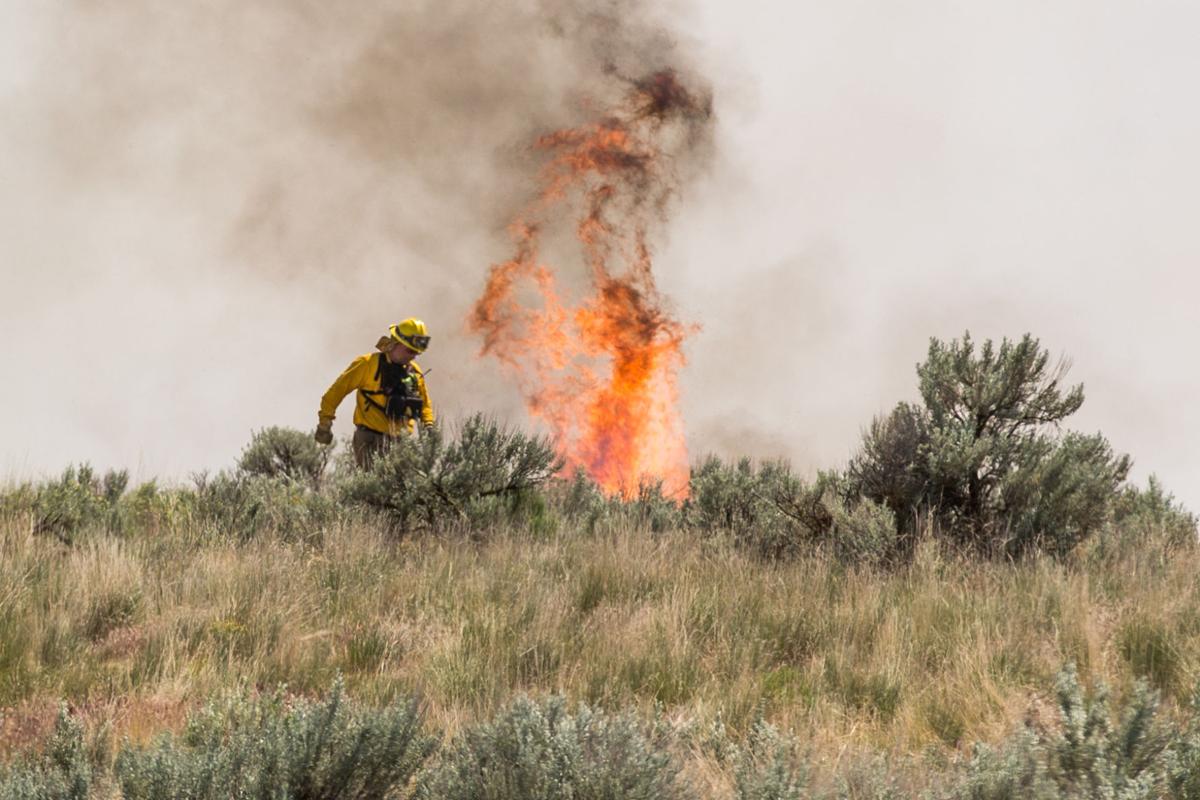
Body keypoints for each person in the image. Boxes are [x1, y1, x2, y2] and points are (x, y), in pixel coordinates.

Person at [315, 318, 435, 468]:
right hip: (370, 440)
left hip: (401, 444)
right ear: (395, 343)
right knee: (373, 488)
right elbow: (335, 393)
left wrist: (429, 426)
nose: (414, 356)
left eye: (417, 352)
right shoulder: (367, 364)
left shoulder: (415, 372)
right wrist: (324, 423)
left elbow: (425, 405)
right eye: (410, 350)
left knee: (401, 489)